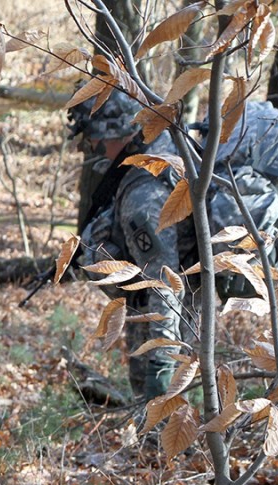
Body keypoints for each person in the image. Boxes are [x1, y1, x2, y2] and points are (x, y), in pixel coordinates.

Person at [72, 93, 185, 401]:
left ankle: (163, 442)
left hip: (169, 313)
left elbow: (165, 282)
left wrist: (160, 365)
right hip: (170, 304)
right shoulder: (156, 150)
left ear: (118, 133)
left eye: (95, 139)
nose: (93, 147)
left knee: (160, 405)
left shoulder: (143, 197)